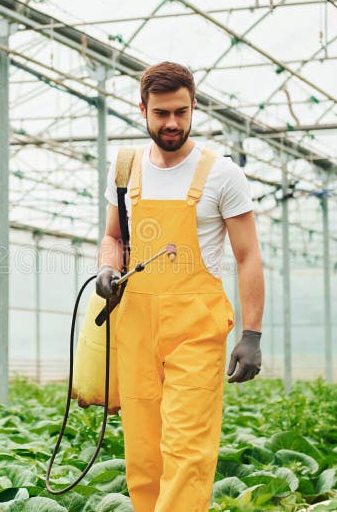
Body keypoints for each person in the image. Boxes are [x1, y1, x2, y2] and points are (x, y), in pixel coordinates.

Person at [95, 61, 264, 512]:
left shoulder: (221, 174)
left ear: (194, 108)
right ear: (143, 110)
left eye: (182, 113)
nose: (172, 123)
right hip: (137, 330)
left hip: (196, 328)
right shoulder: (126, 168)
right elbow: (113, 237)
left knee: (188, 449)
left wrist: (252, 335)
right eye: (162, 113)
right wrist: (107, 269)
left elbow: (248, 257)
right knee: (144, 455)